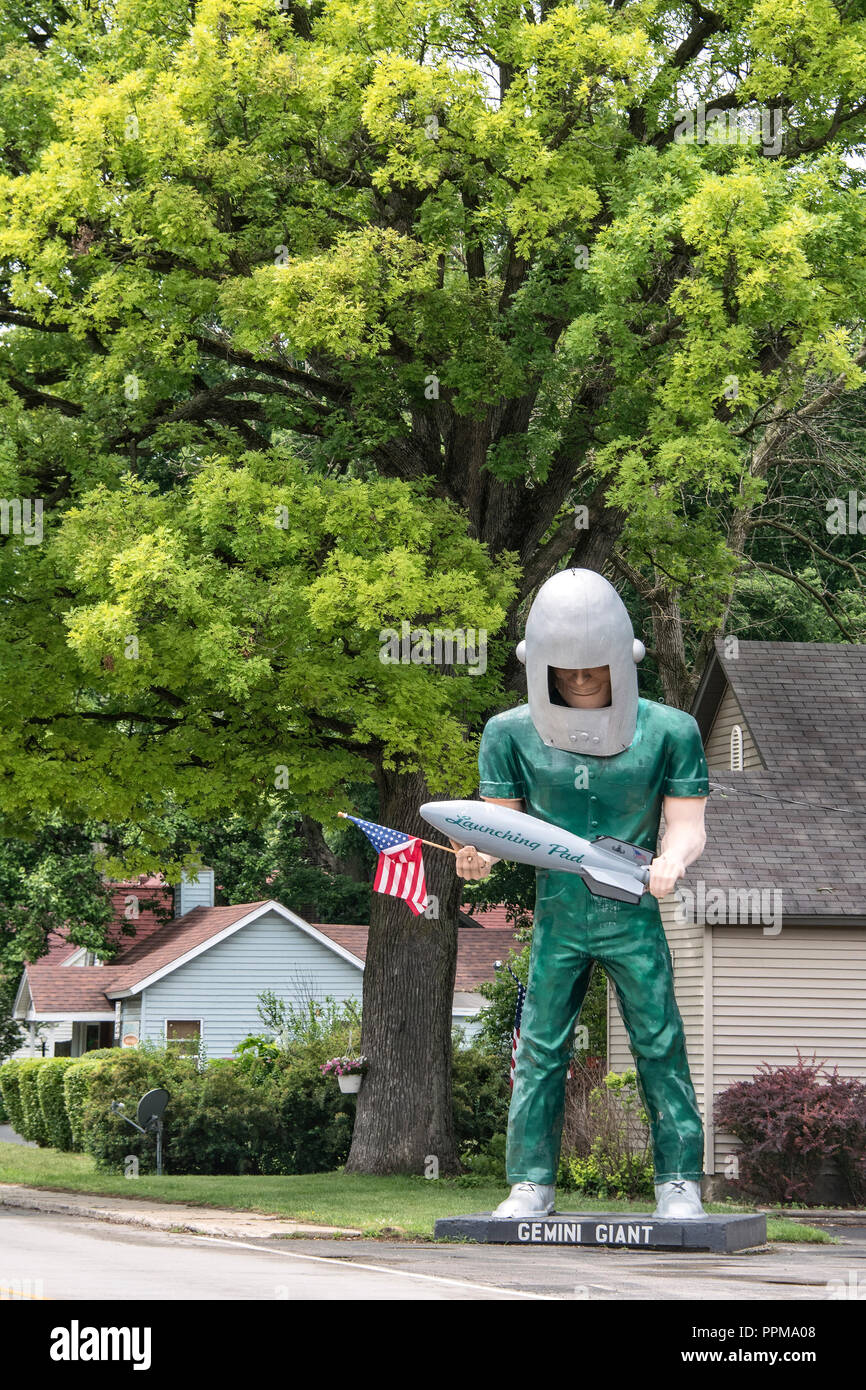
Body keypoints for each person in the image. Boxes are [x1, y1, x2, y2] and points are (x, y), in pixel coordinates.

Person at [450, 568, 709, 1220]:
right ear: (538, 668)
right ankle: (530, 1182)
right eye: (565, 669)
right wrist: (474, 855)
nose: (583, 678)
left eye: (595, 666)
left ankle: (680, 1181)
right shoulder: (508, 734)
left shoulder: (671, 732)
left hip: (633, 911)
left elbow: (686, 822)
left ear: (624, 660)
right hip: (560, 915)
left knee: (660, 1042)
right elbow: (498, 825)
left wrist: (671, 860)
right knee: (540, 1048)